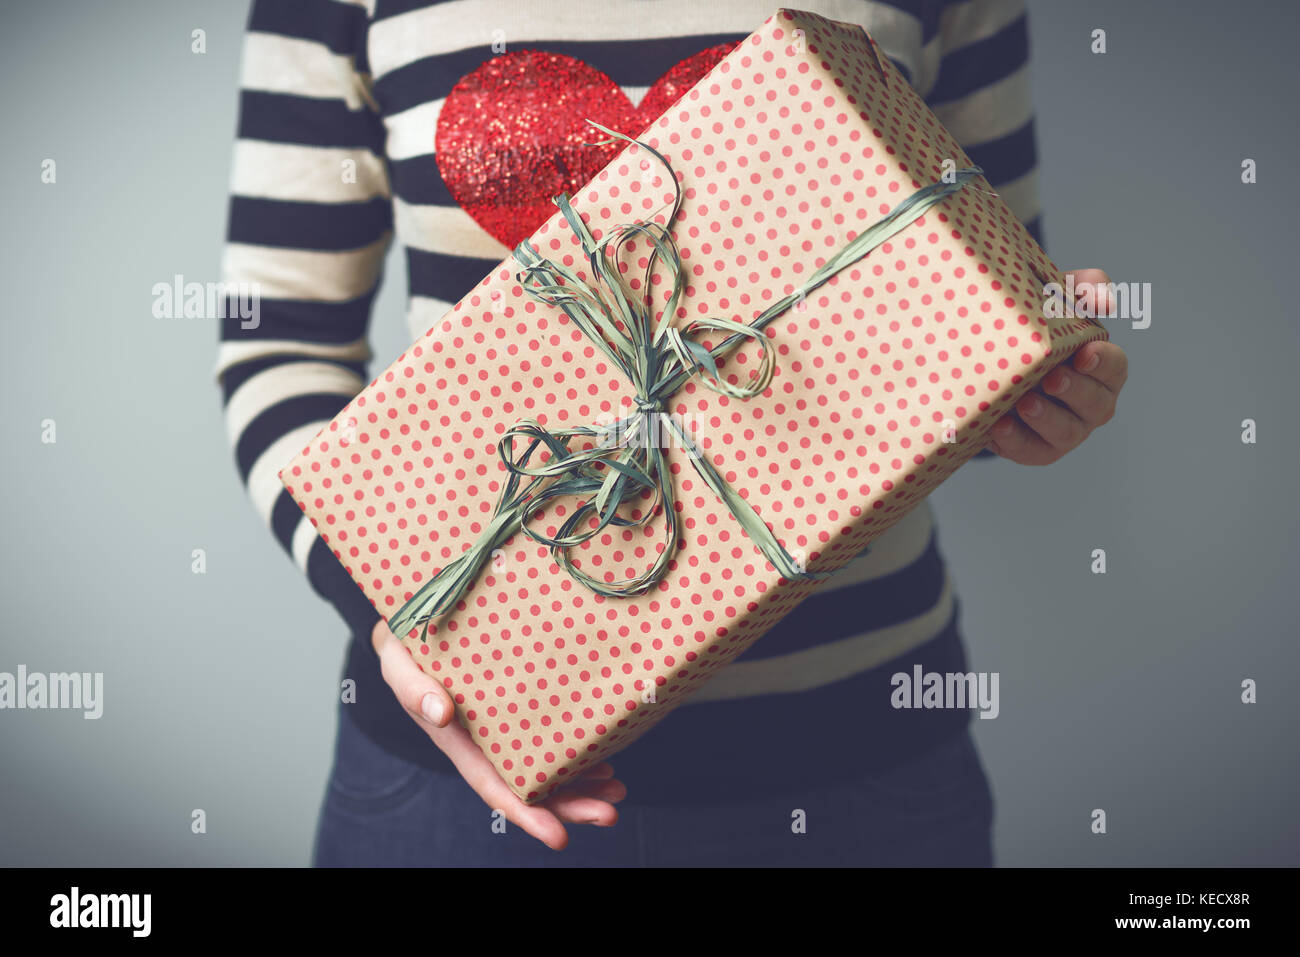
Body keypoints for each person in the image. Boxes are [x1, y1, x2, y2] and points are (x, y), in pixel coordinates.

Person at [217, 0, 1127, 866]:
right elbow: (276, 346)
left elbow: (977, 299)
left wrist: (1032, 399)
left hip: (861, 754)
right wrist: (394, 619)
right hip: (467, 751)